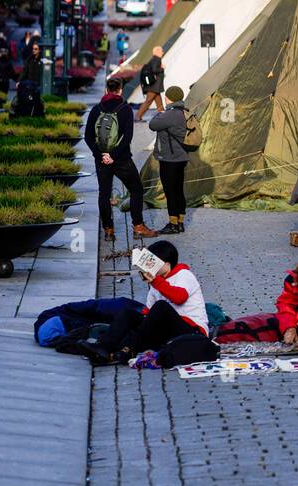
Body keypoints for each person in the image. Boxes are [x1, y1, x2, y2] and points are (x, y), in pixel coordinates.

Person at [78, 241, 208, 366]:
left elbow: (179, 297)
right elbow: (149, 313)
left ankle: (128, 348)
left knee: (161, 306)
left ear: (167, 264)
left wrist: (156, 282)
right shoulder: (157, 282)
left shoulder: (184, 274)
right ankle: (104, 347)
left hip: (192, 331)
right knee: (129, 314)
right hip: (168, 331)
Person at [85, 76, 158, 242]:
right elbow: (128, 137)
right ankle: (138, 226)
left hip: (101, 160)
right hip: (121, 159)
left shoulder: (97, 109)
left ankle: (108, 230)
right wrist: (114, 156)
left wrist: (100, 155)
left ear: (106, 90)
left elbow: (88, 136)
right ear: (120, 90)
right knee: (136, 189)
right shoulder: (124, 109)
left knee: (104, 194)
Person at [149, 86, 189, 235]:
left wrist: (159, 113)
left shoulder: (170, 114)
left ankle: (172, 224)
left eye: (166, 97)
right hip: (182, 157)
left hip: (169, 159)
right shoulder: (183, 112)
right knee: (178, 190)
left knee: (171, 191)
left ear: (170, 98)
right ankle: (180, 222)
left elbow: (152, 124)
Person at [135, 46, 166, 121]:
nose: (163, 52)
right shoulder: (157, 59)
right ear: (157, 51)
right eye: (161, 51)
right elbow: (155, 69)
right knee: (148, 101)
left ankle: (163, 117)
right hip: (154, 86)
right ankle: (138, 116)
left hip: (154, 86)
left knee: (159, 103)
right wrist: (162, 68)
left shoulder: (154, 59)